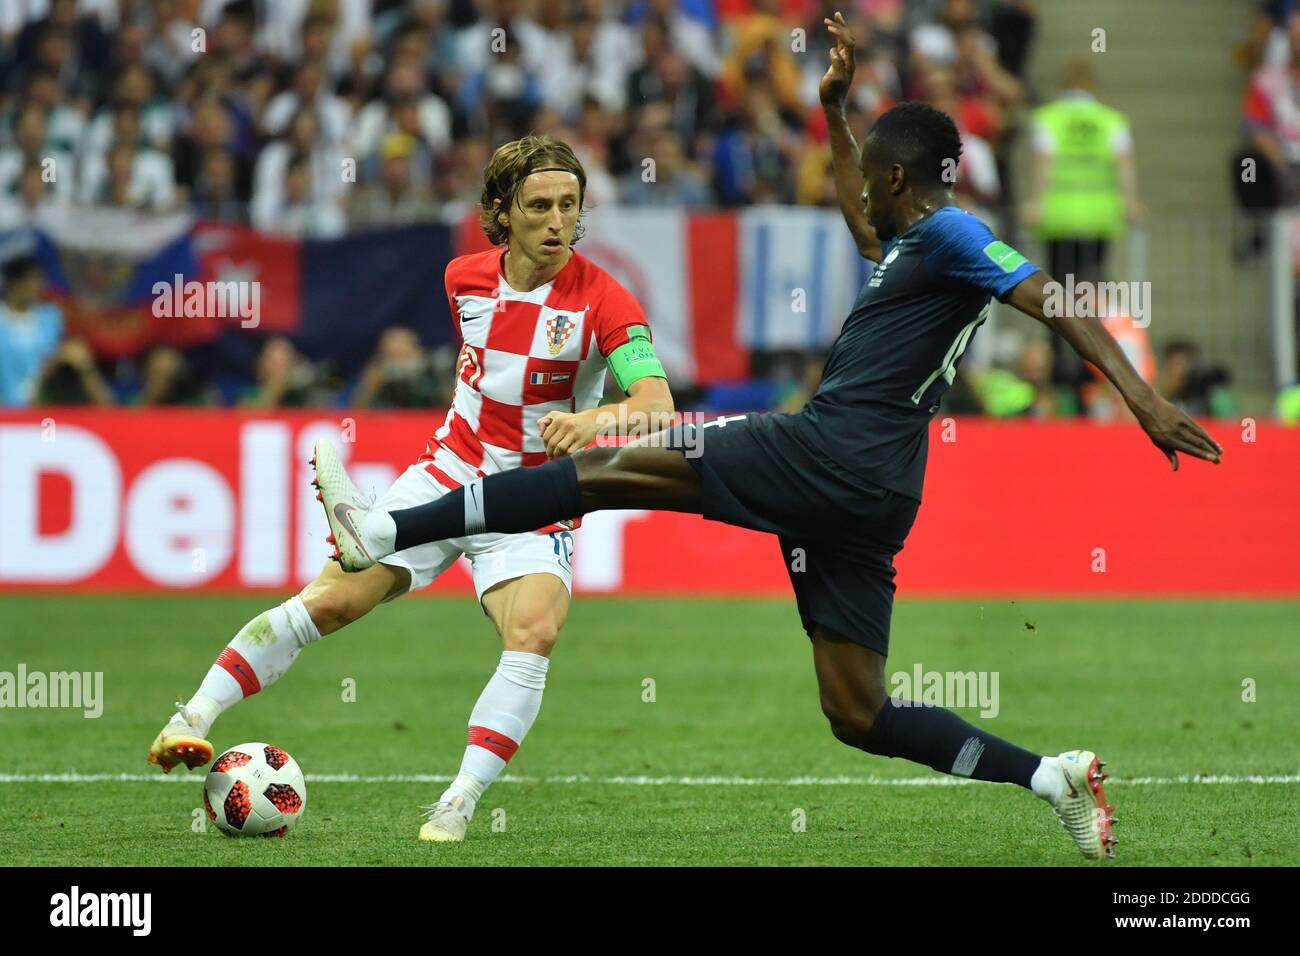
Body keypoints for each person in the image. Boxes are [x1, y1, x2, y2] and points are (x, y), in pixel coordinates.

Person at [313, 16, 1224, 861]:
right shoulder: (911, 244)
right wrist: (832, 113)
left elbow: (1049, 297)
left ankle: (389, 532)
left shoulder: (952, 233)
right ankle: (1052, 777)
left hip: (826, 453)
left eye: (874, 169)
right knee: (858, 712)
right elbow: (857, 211)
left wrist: (1141, 399)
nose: (859, 180)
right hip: (875, 498)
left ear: (902, 179)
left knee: (600, 467)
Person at [147, 134, 675, 846]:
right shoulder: (463, 279)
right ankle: (194, 717)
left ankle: (456, 802)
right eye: (540, 205)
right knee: (330, 602)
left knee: (535, 630)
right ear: (502, 211)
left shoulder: (605, 299)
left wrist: (595, 418)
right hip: (450, 471)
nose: (557, 221)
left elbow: (656, 403)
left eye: (570, 206)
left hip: (534, 499)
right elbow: (483, 376)